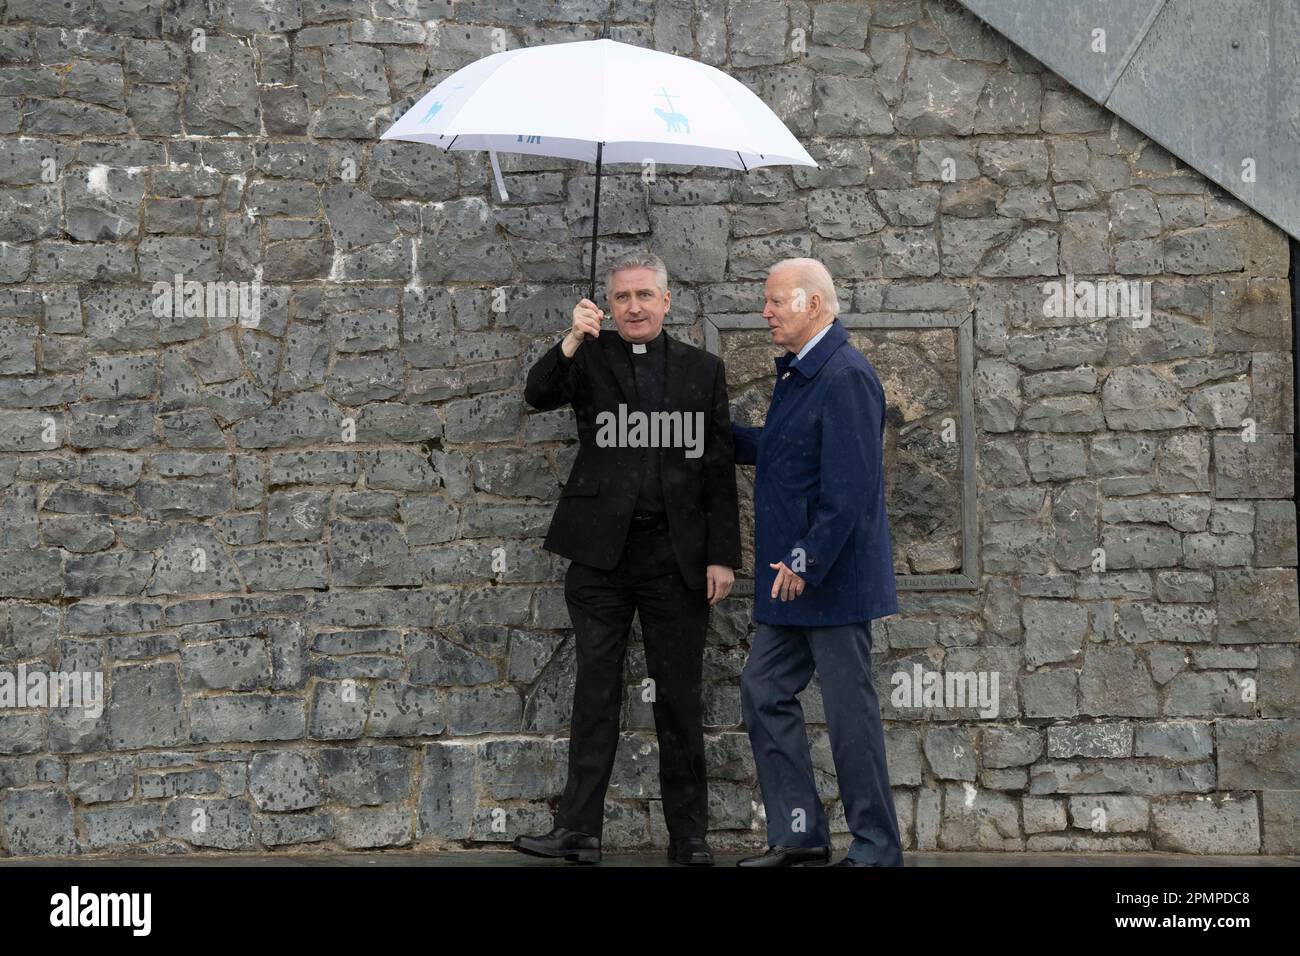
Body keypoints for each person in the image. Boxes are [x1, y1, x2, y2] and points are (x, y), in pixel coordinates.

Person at [513, 250, 741, 866]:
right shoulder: (588, 355)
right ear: (608, 306)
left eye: (644, 296)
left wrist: (724, 556)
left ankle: (688, 837)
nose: (633, 307)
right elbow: (537, 395)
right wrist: (570, 339)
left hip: (678, 559)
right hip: (600, 557)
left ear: (667, 302)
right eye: (622, 298)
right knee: (594, 691)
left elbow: (719, 469)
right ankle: (579, 832)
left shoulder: (704, 369)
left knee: (680, 697)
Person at [732, 257, 902, 867]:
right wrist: (708, 431)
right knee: (764, 689)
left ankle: (878, 850)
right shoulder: (801, 375)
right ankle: (800, 835)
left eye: (777, 301)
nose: (767, 311)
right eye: (767, 301)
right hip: (794, 581)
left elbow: (851, 490)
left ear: (815, 305)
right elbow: (782, 452)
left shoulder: (846, 375)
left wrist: (804, 558)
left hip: (830, 579)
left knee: (848, 714)